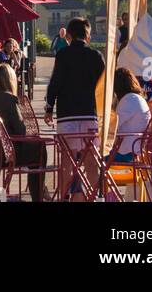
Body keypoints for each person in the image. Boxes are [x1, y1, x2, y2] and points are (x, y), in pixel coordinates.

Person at [44, 17, 105, 193]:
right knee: (91, 160)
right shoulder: (96, 56)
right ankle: (93, 195)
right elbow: (104, 87)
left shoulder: (63, 55)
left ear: (68, 35)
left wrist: (49, 109)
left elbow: (55, 83)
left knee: (66, 161)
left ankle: (64, 196)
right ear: (88, 36)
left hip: (66, 116)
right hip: (89, 115)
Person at [0, 62, 46, 201]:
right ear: (10, 80)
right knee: (40, 148)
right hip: (2, 156)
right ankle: (38, 197)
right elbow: (21, 132)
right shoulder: (8, 99)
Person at [106, 68, 151, 165]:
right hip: (134, 148)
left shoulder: (129, 100)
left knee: (91, 156)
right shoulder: (137, 98)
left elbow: (112, 126)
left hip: (125, 152)